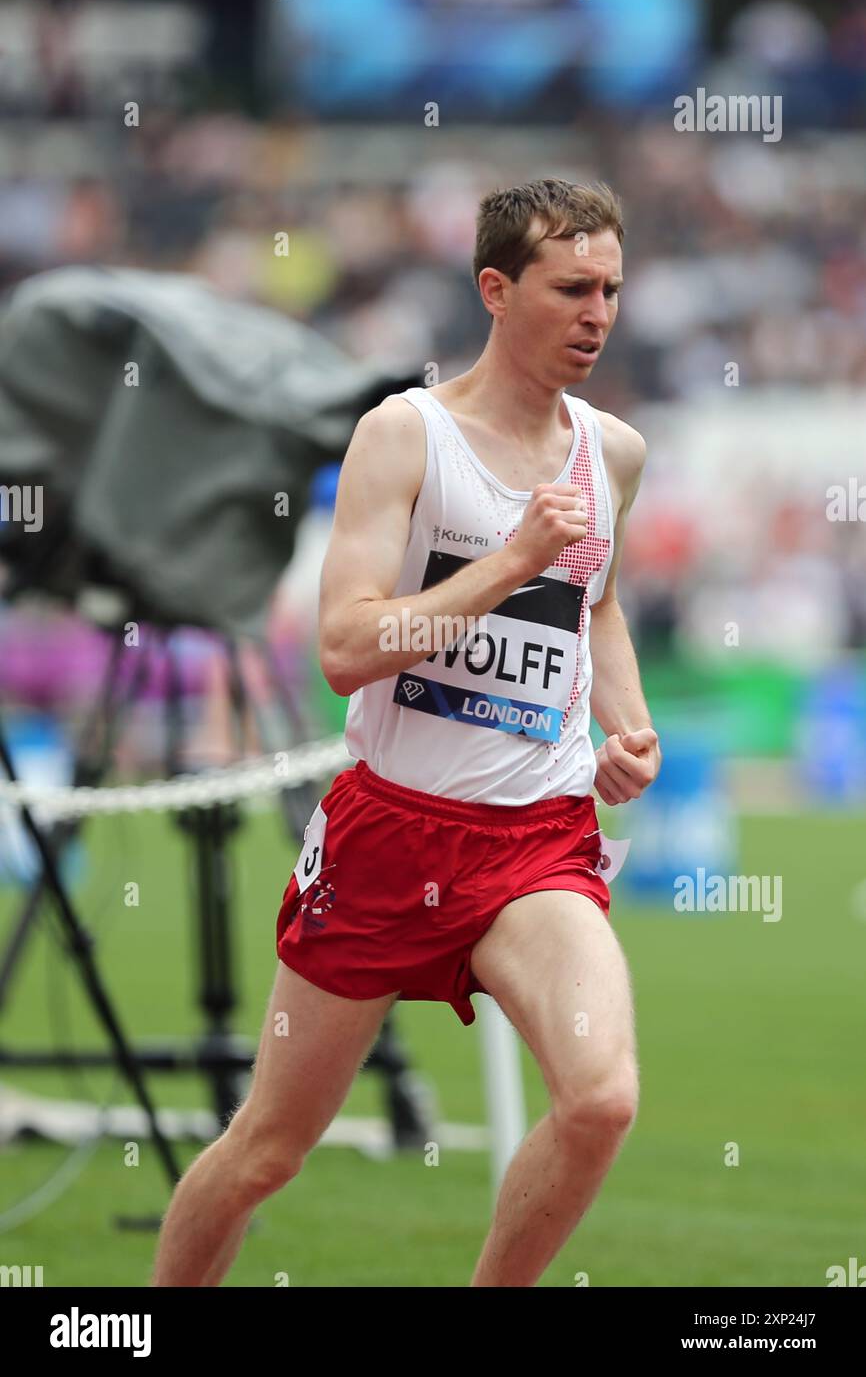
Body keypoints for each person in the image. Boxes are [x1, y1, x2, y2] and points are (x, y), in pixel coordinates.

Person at [151, 177, 661, 1288]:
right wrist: (511, 560)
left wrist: (628, 725)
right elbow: (345, 645)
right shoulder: (406, 436)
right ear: (494, 288)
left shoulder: (611, 452)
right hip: (388, 836)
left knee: (601, 1098)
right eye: (570, 287)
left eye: (611, 290)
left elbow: (598, 603)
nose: (597, 314)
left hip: (533, 841)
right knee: (267, 1151)